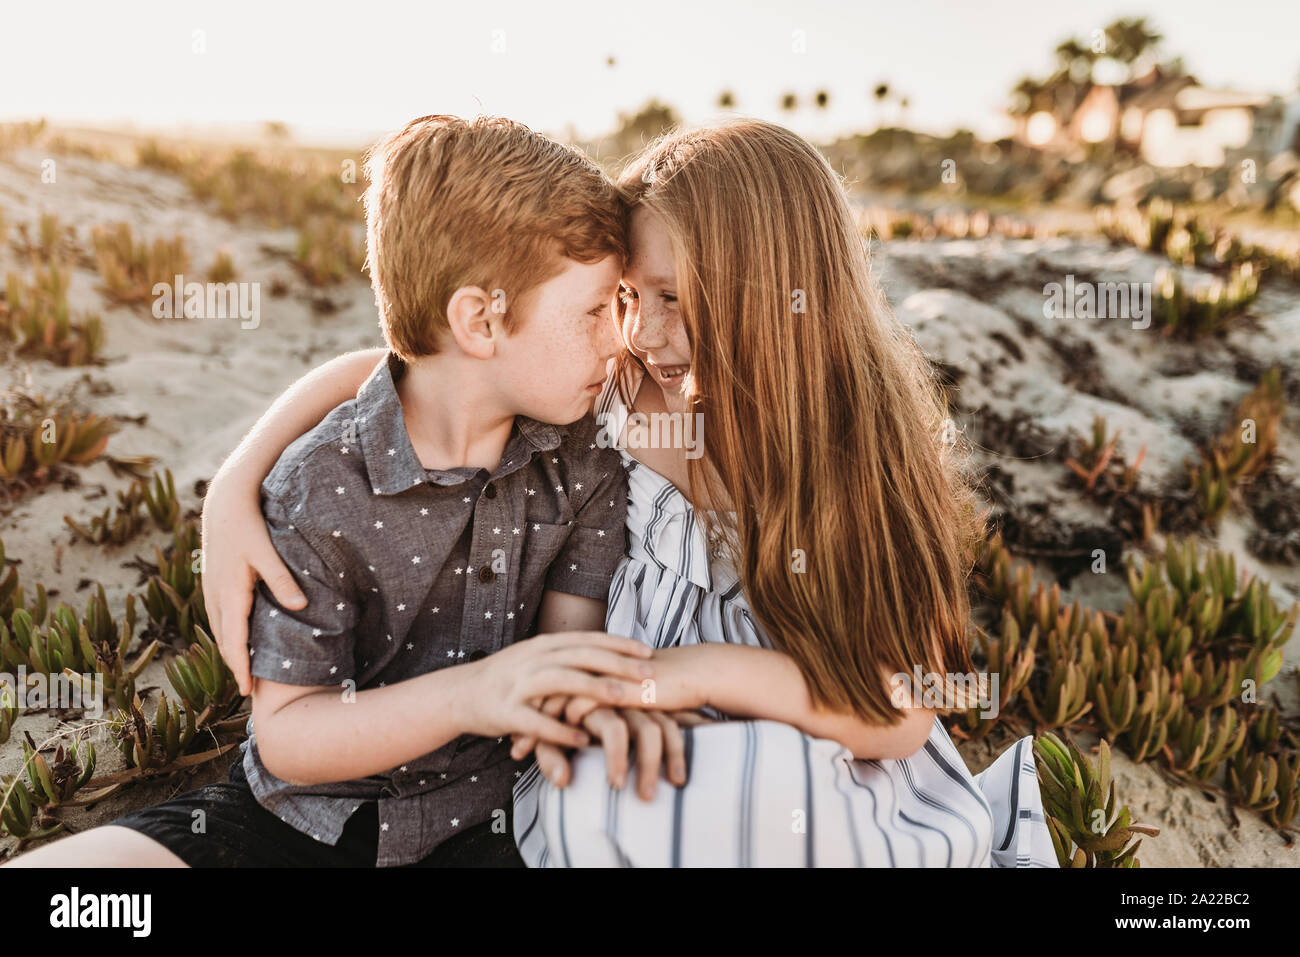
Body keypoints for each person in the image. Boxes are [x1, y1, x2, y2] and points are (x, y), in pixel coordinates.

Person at [194, 119, 1059, 868]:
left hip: (816, 738)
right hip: (624, 726)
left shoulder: (847, 453)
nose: (642, 332)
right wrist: (234, 486)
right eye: (624, 298)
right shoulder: (622, 396)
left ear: (778, 300)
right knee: (614, 802)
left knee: (774, 802)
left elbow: (898, 709)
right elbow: (400, 373)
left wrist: (682, 673)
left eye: (675, 300)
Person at [7, 115, 679, 868]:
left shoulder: (579, 455)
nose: (618, 338)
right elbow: (291, 738)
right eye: (593, 310)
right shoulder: (318, 488)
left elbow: (566, 644)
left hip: (487, 820)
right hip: (302, 825)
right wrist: (477, 691)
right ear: (480, 320)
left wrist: (581, 697)